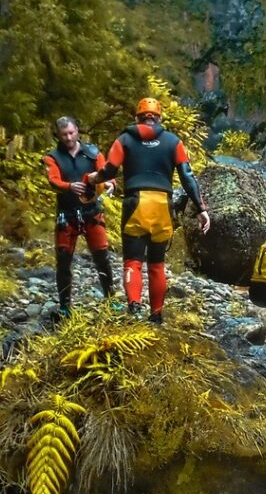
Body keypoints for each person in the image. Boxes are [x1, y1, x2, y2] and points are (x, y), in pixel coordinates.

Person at [83, 97, 210, 325]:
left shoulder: (124, 140)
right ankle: (156, 315)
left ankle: (134, 307)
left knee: (132, 261)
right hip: (163, 205)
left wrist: (93, 179)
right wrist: (201, 208)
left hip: (136, 203)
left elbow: (109, 170)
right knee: (157, 264)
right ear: (159, 118)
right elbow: (188, 177)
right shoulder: (174, 142)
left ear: (136, 118)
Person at [42, 116, 116, 316]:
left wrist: (110, 184)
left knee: (102, 256)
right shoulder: (52, 157)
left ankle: (111, 298)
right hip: (66, 213)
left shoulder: (92, 153)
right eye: (64, 134)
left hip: (92, 212)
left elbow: (107, 173)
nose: (68, 137)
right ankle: (65, 306)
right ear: (58, 135)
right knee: (64, 260)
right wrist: (69, 186)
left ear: (77, 131)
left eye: (71, 133)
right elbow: (53, 180)